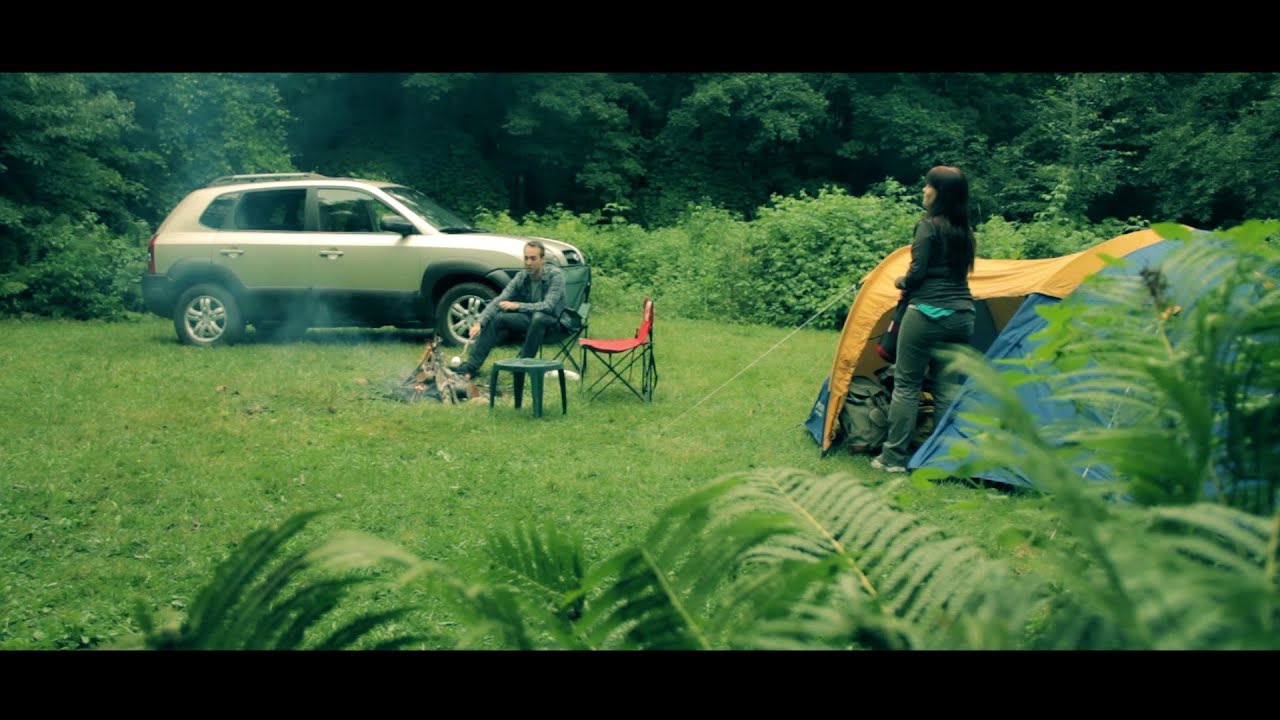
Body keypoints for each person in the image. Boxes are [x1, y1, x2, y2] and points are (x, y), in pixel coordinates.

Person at [872, 166, 977, 473]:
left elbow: (917, 274)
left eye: (928, 185)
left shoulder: (928, 226)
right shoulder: (965, 231)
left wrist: (900, 281)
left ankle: (893, 458)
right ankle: (940, 460)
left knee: (907, 384)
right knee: (946, 389)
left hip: (927, 313)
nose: (924, 190)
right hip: (963, 316)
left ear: (939, 193)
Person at [454, 240, 570, 379]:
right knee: (497, 319)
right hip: (531, 321)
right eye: (526, 258)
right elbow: (499, 300)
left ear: (543, 260)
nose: (528, 263)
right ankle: (471, 367)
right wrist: (480, 322)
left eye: (533, 258)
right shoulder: (521, 277)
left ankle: (521, 366)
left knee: (538, 317)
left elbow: (548, 306)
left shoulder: (555, 275)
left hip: (555, 324)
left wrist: (518, 305)